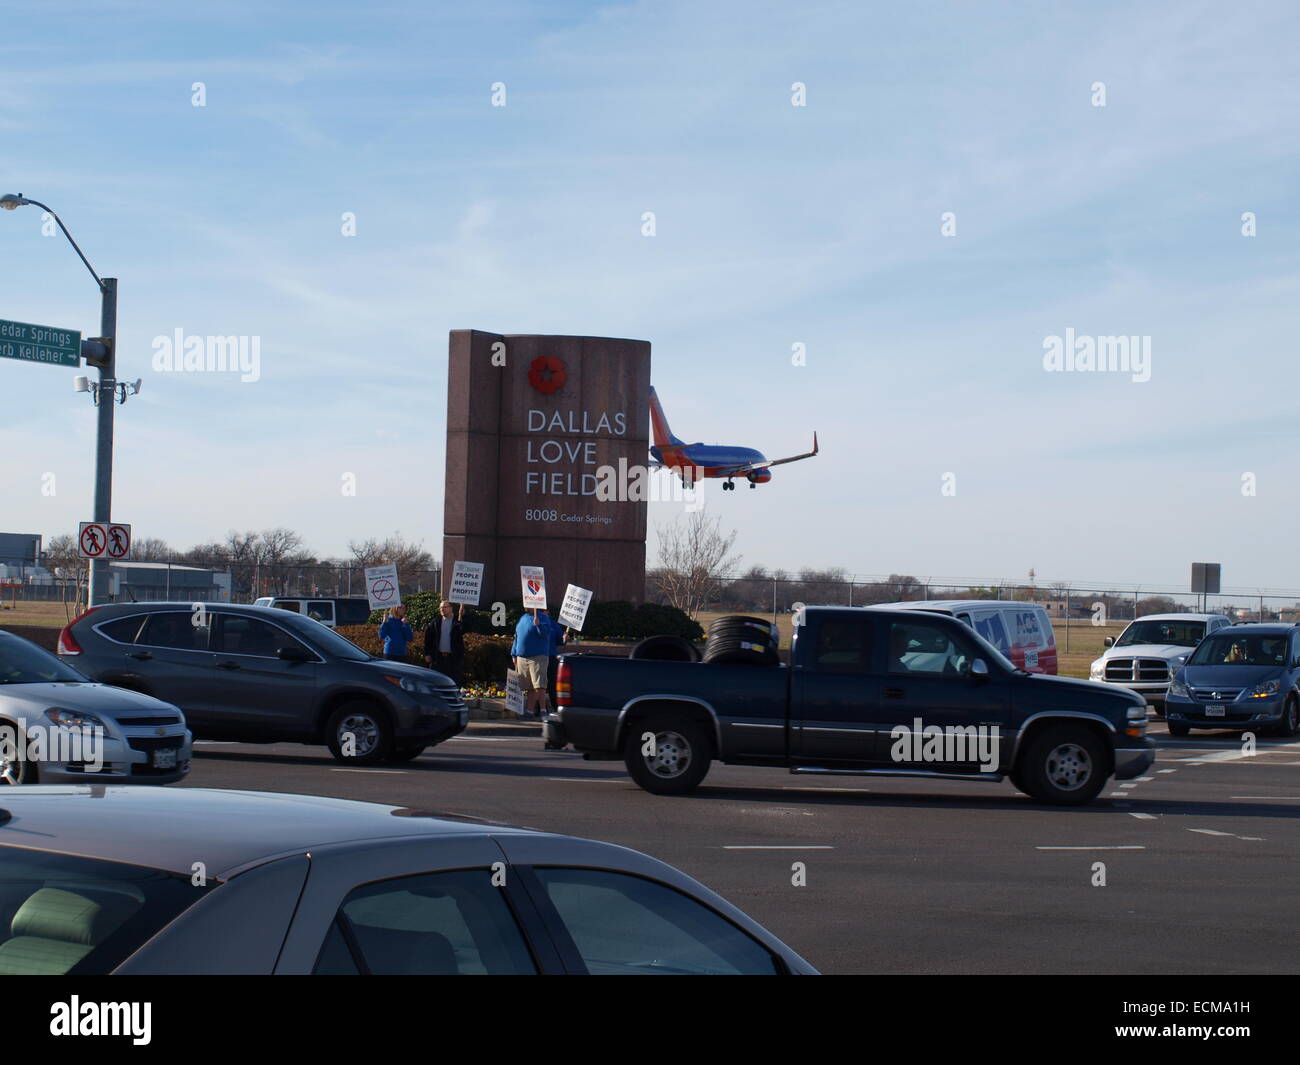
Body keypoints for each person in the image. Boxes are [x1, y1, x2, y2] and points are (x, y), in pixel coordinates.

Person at [511, 607, 552, 718]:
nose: (525, 606)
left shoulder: (543, 617)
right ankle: (530, 712)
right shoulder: (523, 618)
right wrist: (514, 653)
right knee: (529, 686)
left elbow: (545, 634)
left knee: (539, 685)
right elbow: (517, 637)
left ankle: (543, 710)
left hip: (538, 656)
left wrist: (538, 625)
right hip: (522, 657)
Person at [424, 600, 466, 687]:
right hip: (438, 658)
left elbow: (464, 630)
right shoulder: (435, 622)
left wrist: (462, 617)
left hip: (453, 659)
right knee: (437, 682)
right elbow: (428, 639)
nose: (442, 609)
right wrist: (427, 653)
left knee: (453, 682)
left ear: (451, 608)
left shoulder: (457, 621)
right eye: (440, 607)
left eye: (444, 607)